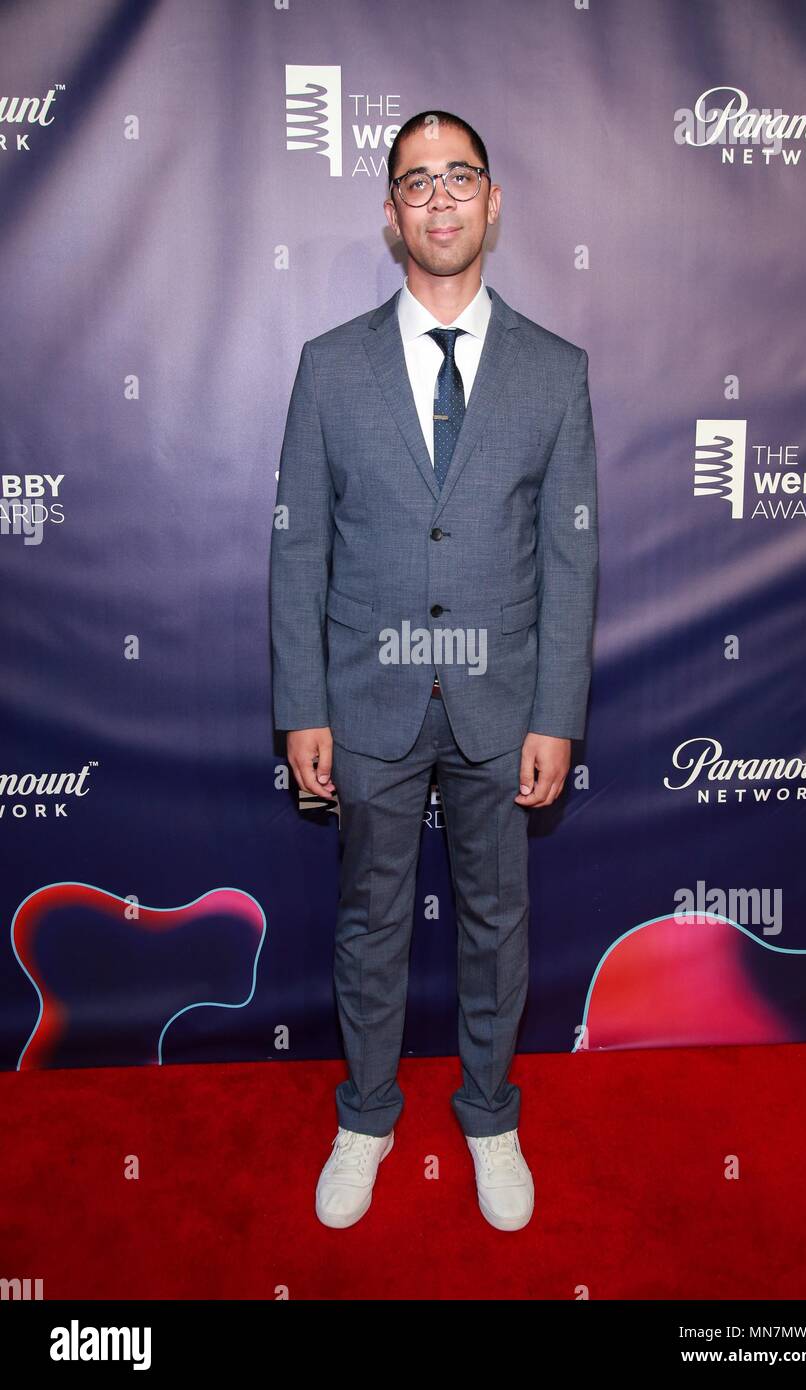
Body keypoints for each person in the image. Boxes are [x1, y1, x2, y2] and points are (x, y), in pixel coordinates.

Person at [270, 109, 599, 1232]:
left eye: (461, 176)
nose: (441, 197)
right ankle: (363, 1115)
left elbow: (568, 553)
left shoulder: (556, 373)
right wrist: (300, 705)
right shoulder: (328, 368)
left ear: (492, 202)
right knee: (367, 920)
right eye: (417, 181)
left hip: (503, 707)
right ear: (391, 212)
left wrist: (557, 712)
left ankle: (489, 1115)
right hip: (363, 704)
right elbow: (298, 546)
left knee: (493, 922)